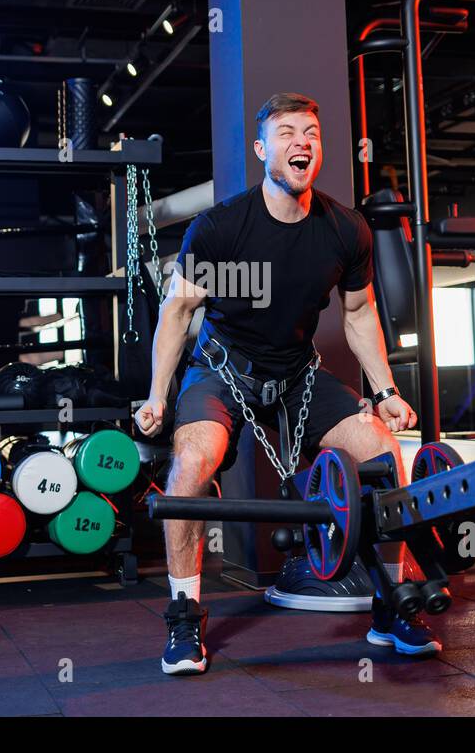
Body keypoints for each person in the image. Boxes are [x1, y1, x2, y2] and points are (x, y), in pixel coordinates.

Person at [135, 91, 435, 675]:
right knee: (192, 466)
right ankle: (183, 616)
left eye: (312, 134)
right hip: (223, 370)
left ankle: (393, 604)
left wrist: (385, 391)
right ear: (261, 149)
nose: (303, 142)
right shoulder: (220, 228)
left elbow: (358, 314)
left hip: (298, 375)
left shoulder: (345, 229)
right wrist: (158, 393)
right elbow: (177, 310)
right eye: (288, 132)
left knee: (382, 454)